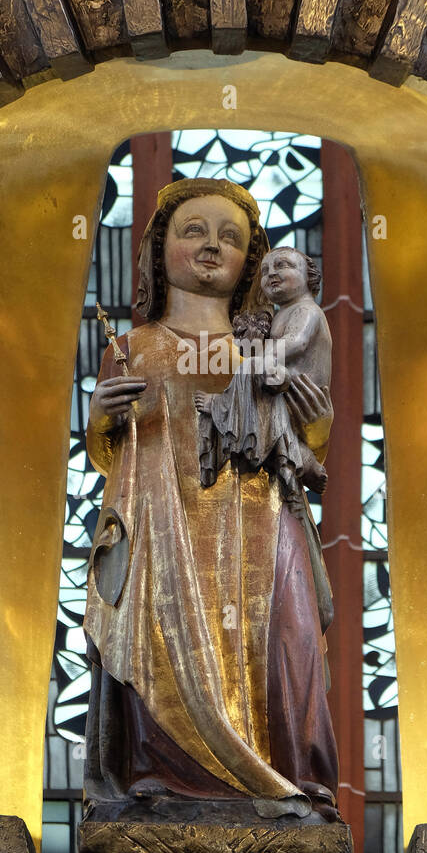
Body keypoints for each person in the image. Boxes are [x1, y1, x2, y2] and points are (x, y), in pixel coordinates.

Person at [83, 178, 338, 816]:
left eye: (230, 237)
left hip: (260, 520)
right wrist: (102, 416)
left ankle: (294, 780)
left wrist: (316, 419)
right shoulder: (135, 347)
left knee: (291, 634)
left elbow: (302, 447)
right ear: (158, 251)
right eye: (192, 231)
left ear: (249, 260)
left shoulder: (262, 350)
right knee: (159, 628)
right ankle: (162, 782)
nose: (210, 247)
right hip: (160, 526)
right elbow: (108, 453)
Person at [194, 247, 331, 504]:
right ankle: (301, 461)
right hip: (282, 389)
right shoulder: (283, 313)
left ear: (309, 277)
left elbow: (296, 342)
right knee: (262, 418)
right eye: (266, 270)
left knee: (251, 372)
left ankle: (221, 407)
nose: (271, 274)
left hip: (301, 395)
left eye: (283, 265)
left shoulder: (306, 310)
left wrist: (262, 357)